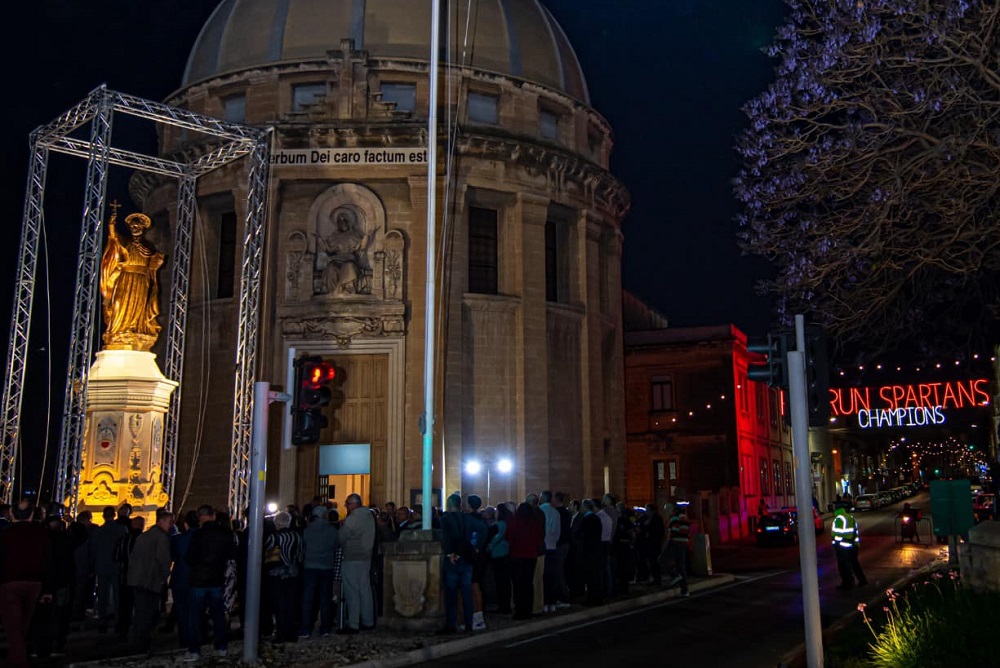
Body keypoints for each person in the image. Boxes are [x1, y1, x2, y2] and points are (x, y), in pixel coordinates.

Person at [100, 208, 164, 351]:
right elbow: (113, 237)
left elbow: (154, 263)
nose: (135, 228)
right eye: (133, 226)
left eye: (137, 226)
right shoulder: (125, 242)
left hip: (141, 281)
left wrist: (156, 263)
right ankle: (117, 332)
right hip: (125, 278)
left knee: (139, 308)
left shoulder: (148, 247)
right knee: (119, 305)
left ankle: (136, 330)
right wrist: (111, 224)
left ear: (143, 227)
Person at [0, 501, 53, 668]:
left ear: (12, 514)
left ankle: (19, 661)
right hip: (35, 583)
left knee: (13, 626)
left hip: (10, 583)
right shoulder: (42, 533)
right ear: (31, 515)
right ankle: (15, 659)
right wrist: (48, 588)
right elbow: (49, 563)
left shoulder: (5, 534)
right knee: (24, 624)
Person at [185, 505, 236, 660]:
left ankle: (194, 650)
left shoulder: (198, 535)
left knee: (195, 617)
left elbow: (190, 557)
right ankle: (221, 646)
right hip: (216, 579)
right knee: (218, 615)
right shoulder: (226, 534)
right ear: (213, 516)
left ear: (200, 517)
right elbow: (231, 555)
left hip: (199, 580)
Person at [128, 509, 174, 653]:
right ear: (161, 521)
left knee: (140, 613)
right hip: (150, 580)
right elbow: (164, 560)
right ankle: (141, 644)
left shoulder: (143, 536)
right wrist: (164, 576)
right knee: (147, 614)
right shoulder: (161, 538)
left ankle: (137, 641)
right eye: (169, 522)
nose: (171, 525)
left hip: (137, 579)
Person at [437, 494, 479, 634]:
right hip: (467, 558)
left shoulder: (446, 519)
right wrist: (474, 546)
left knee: (451, 593)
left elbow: (447, 537)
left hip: (453, 558)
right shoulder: (467, 519)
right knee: (466, 593)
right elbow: (480, 532)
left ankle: (451, 623)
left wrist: (451, 553)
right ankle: (468, 624)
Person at [300, 505, 339, 638]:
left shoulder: (308, 529)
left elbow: (303, 546)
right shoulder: (332, 530)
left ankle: (306, 628)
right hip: (327, 567)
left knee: (308, 598)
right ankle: (325, 628)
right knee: (325, 598)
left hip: (310, 566)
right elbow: (336, 545)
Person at [339, 493, 375, 634]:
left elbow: (342, 536)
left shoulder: (353, 518)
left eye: (347, 504)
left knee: (352, 590)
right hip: (366, 556)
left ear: (354, 504)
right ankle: (368, 620)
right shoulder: (369, 516)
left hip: (352, 556)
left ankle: (353, 623)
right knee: (365, 590)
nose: (346, 506)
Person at [89, 505, 128, 633]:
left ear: (103, 516)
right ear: (114, 515)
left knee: (102, 595)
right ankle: (118, 620)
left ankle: (102, 621)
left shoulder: (98, 532)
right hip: (117, 566)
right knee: (118, 595)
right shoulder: (122, 530)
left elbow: (93, 551)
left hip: (102, 566)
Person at [506, 501, 543, 620]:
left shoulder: (515, 522)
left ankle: (519, 610)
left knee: (518, 585)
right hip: (531, 556)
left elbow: (509, 537)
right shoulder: (534, 523)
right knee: (528, 584)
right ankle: (528, 610)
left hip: (517, 555)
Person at [832, 507, 867, 591]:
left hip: (842, 545)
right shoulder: (850, 517)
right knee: (854, 563)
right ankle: (862, 580)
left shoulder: (839, 519)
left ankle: (847, 583)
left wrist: (836, 543)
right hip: (853, 545)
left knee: (843, 565)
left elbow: (837, 534)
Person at [487, 503, 512, 615]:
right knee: (505, 583)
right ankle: (505, 605)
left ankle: (503, 606)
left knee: (500, 582)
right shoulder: (507, 524)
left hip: (498, 555)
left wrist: (490, 546)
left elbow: (496, 538)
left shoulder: (498, 525)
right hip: (506, 554)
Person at [664, 500, 691, 597]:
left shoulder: (677, 517)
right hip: (680, 543)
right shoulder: (677, 516)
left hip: (677, 542)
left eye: (667, 509)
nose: (665, 511)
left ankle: (675, 576)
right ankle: (684, 589)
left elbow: (679, 530)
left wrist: (670, 539)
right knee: (680, 566)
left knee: (663, 560)